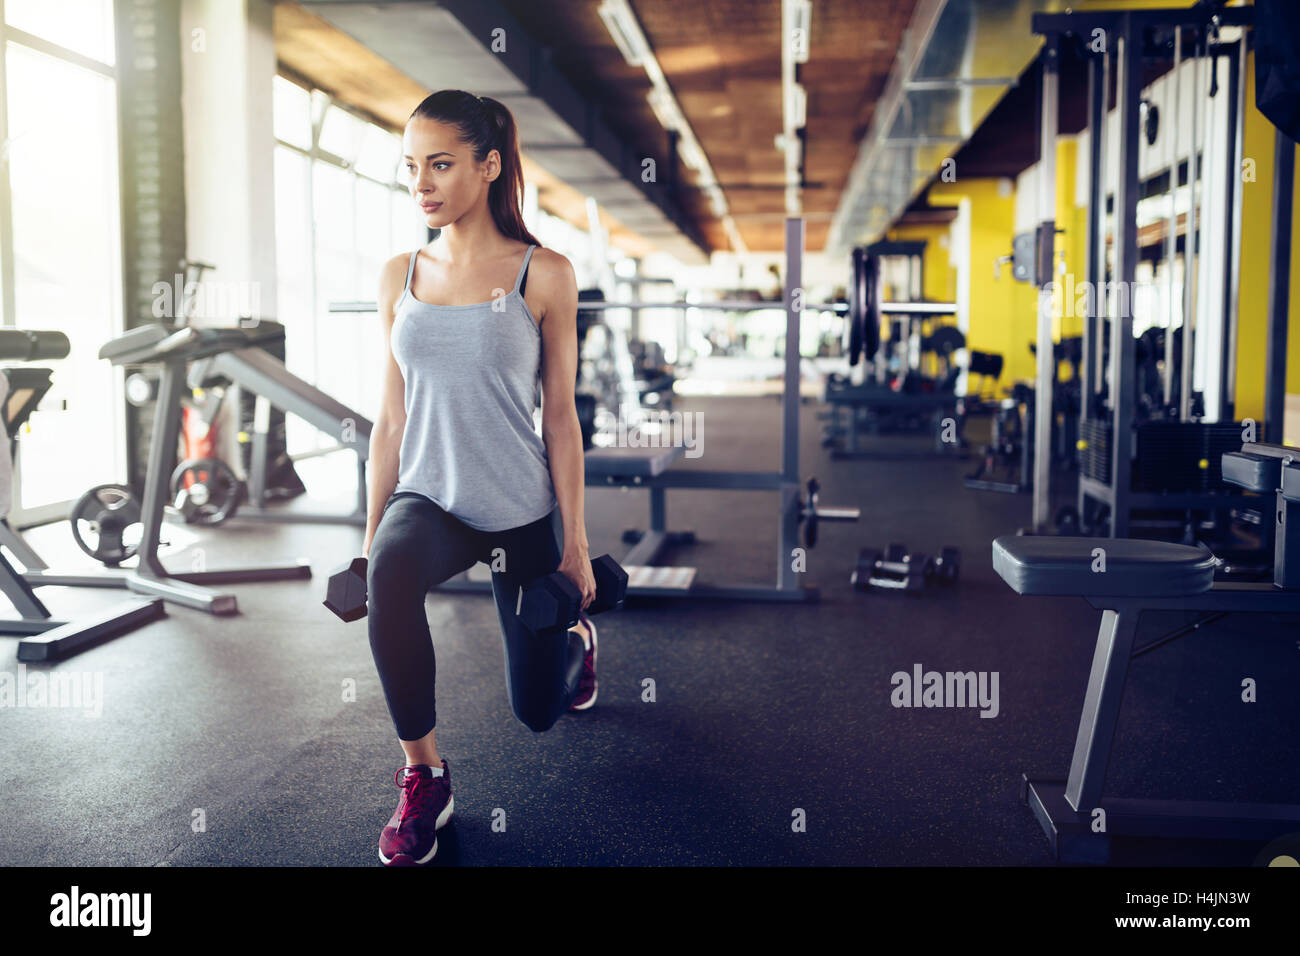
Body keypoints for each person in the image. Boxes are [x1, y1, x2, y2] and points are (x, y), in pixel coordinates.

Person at [364, 90, 599, 866]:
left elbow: (560, 419)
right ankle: (424, 775)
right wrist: (370, 542)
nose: (421, 182)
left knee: (537, 711)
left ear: (489, 165)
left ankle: (575, 644)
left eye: (440, 163)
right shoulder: (399, 274)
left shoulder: (544, 274)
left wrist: (576, 546)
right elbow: (391, 419)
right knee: (391, 572)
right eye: (411, 166)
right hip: (430, 497)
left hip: (514, 506)